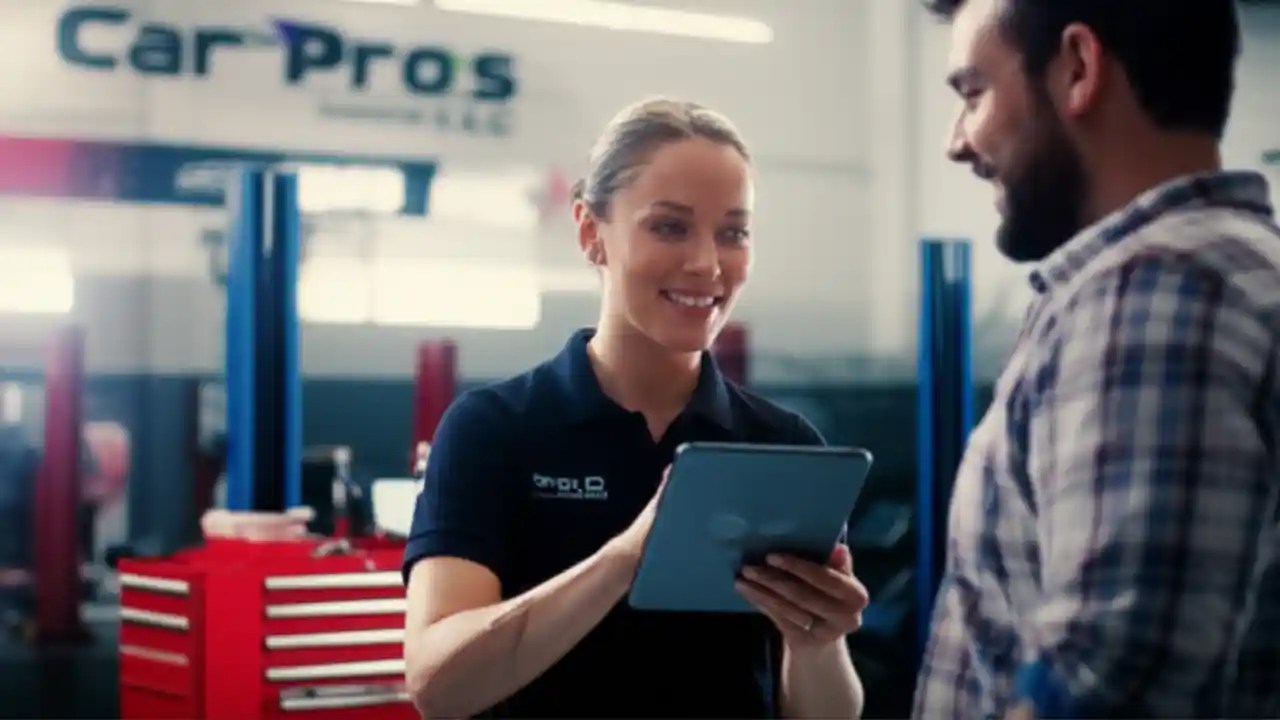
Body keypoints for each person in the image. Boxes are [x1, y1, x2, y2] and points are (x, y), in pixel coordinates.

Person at [401, 98, 869, 719]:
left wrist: (819, 640)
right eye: (670, 226)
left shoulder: (782, 445)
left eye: (733, 231)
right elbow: (437, 688)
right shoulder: (493, 430)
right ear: (591, 232)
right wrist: (624, 560)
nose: (707, 263)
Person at [915, 1, 1280, 718]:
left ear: (1078, 69)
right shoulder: (1229, 271)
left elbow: (1105, 686)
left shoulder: (1156, 290)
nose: (958, 143)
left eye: (974, 93)